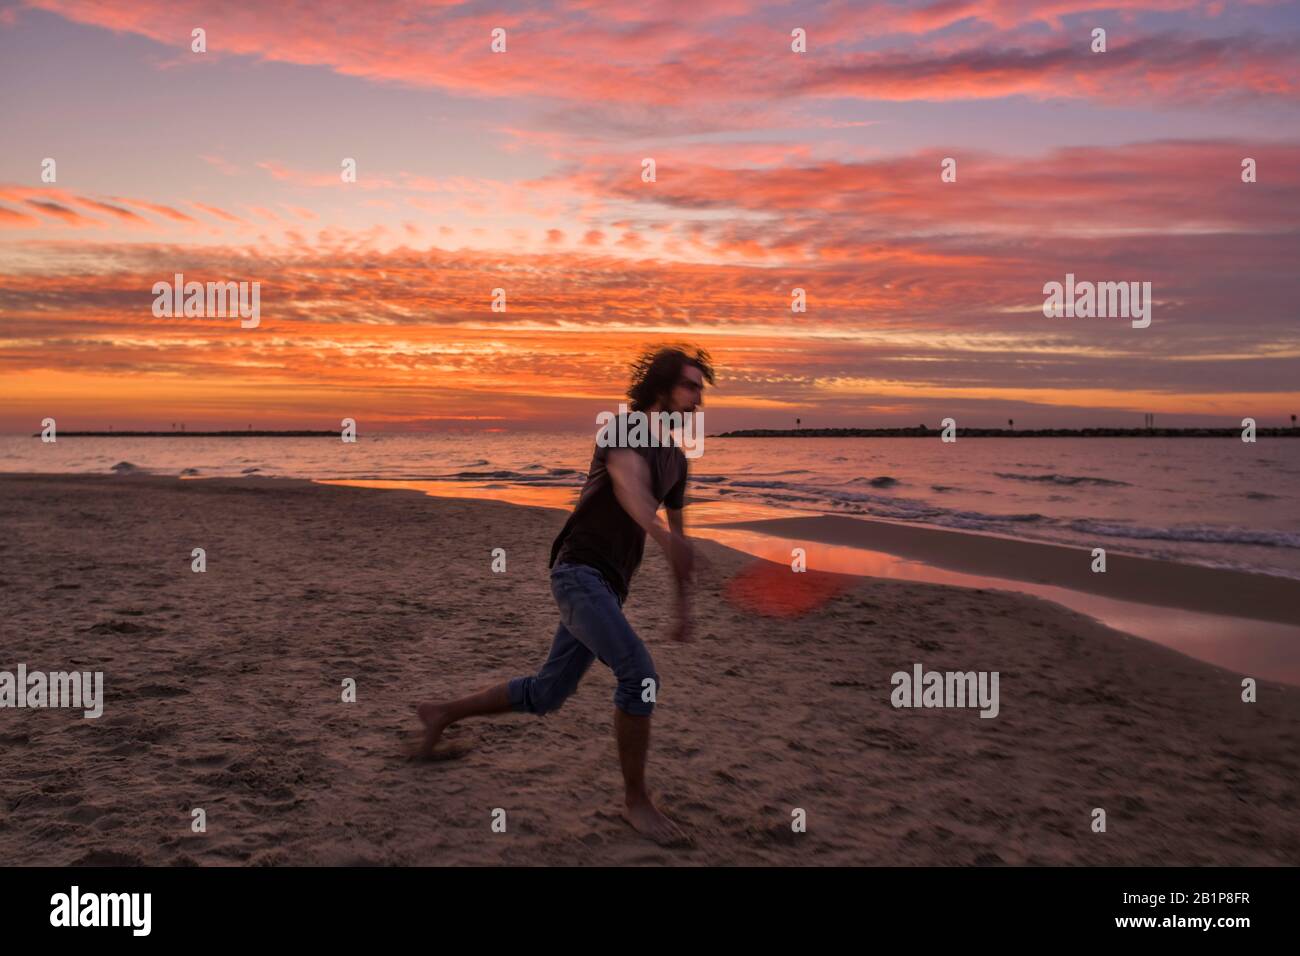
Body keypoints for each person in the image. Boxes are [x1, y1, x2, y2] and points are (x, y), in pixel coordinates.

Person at [413, 346, 714, 846]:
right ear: (662, 387)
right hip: (578, 572)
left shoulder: (680, 461)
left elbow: (680, 537)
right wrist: (664, 539)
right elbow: (629, 488)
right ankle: (635, 802)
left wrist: (685, 608)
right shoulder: (623, 428)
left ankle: (442, 711)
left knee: (547, 692)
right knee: (640, 676)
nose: (698, 396)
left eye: (702, 388)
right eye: (690, 385)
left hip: (609, 588)